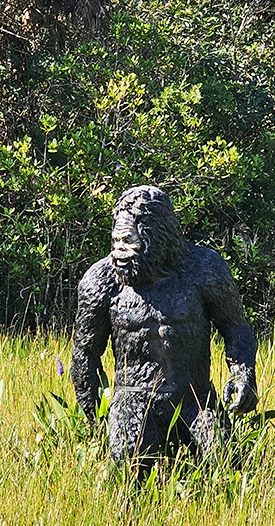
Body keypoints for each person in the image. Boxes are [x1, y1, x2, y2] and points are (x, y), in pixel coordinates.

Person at [71, 185, 258, 469]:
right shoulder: (101, 281)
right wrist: (98, 418)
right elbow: (85, 354)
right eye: (115, 241)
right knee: (130, 464)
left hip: (194, 396)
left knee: (225, 462)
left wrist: (243, 375)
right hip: (133, 397)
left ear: (155, 237)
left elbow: (236, 329)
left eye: (128, 241)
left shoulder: (203, 269)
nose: (118, 252)